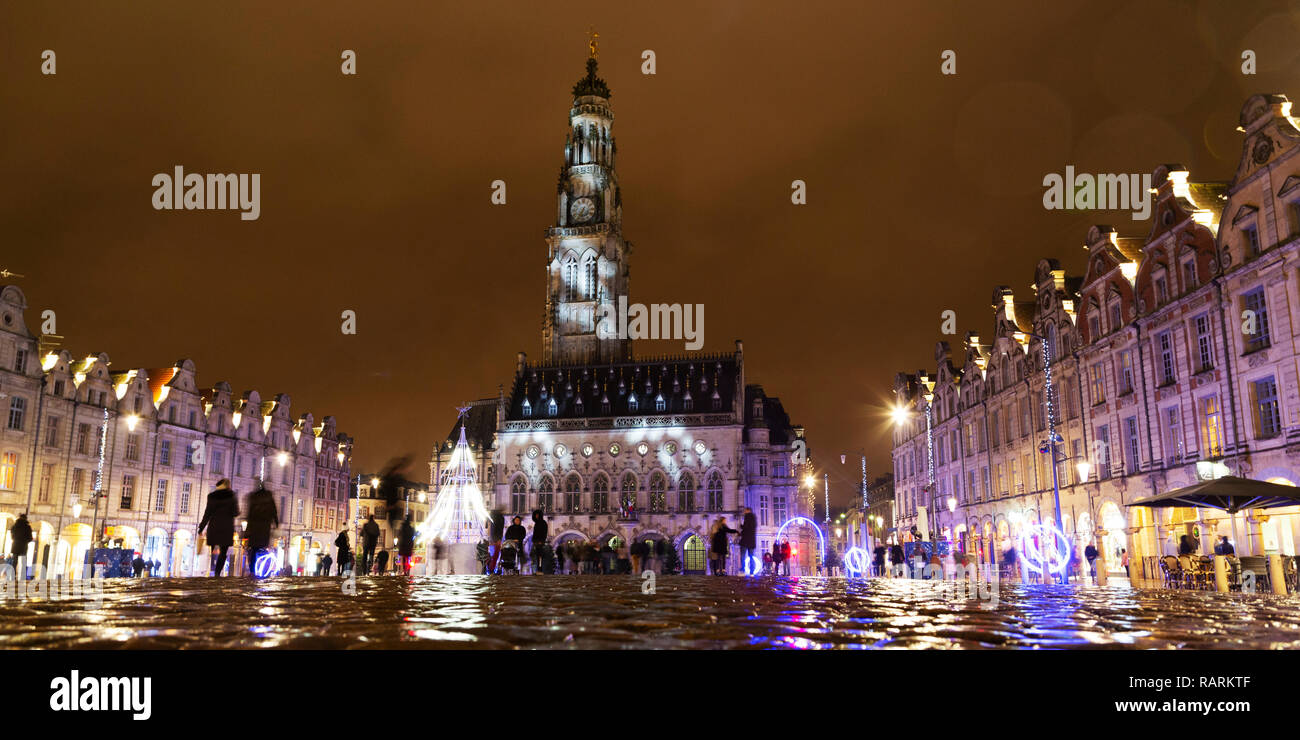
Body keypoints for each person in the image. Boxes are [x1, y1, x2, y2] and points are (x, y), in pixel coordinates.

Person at [197, 479, 238, 576]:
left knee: (213, 549)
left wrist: (201, 527)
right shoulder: (232, 496)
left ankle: (212, 568)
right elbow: (235, 512)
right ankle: (217, 572)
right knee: (223, 552)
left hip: (214, 526)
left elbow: (207, 513)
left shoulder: (211, 496)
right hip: (227, 527)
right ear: (227, 486)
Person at [245, 479, 280, 577]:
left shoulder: (253, 497)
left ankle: (252, 571)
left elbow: (249, 513)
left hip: (255, 525)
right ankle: (263, 570)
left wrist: (247, 527)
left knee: (254, 549)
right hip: (265, 525)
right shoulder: (269, 497)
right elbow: (274, 510)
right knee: (263, 547)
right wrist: (276, 522)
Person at [739, 507, 758, 576]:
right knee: (751, 556)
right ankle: (751, 572)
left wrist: (741, 527)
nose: (744, 512)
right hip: (752, 540)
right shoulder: (754, 518)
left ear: (747, 511)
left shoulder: (747, 516)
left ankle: (743, 571)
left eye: (745, 511)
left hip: (745, 540)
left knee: (743, 556)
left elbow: (745, 528)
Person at [488, 509, 505, 574]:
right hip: (496, 539)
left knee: (494, 556)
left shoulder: (493, 518)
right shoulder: (499, 518)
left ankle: (491, 569)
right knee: (495, 556)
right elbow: (498, 530)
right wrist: (498, 539)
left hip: (494, 539)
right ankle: (491, 569)